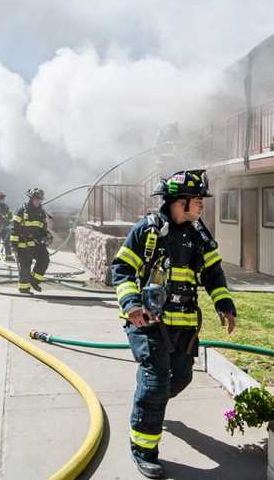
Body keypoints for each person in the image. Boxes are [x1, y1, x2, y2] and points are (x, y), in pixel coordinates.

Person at [110, 170, 237, 478]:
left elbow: (213, 274)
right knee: (155, 383)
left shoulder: (199, 236)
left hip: (184, 325)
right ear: (180, 202)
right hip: (148, 322)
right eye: (197, 200)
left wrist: (224, 303)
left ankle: (148, 407)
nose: (202, 205)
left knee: (180, 378)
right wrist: (131, 304)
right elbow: (122, 269)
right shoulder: (147, 231)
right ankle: (143, 449)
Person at [10, 187, 52, 293]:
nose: (38, 201)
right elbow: (14, 228)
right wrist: (13, 245)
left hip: (37, 244)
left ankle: (34, 281)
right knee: (25, 267)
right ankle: (24, 288)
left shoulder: (41, 212)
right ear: (31, 198)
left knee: (44, 260)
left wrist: (47, 236)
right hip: (23, 244)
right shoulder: (21, 210)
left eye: (40, 200)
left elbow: (43, 228)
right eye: (36, 199)